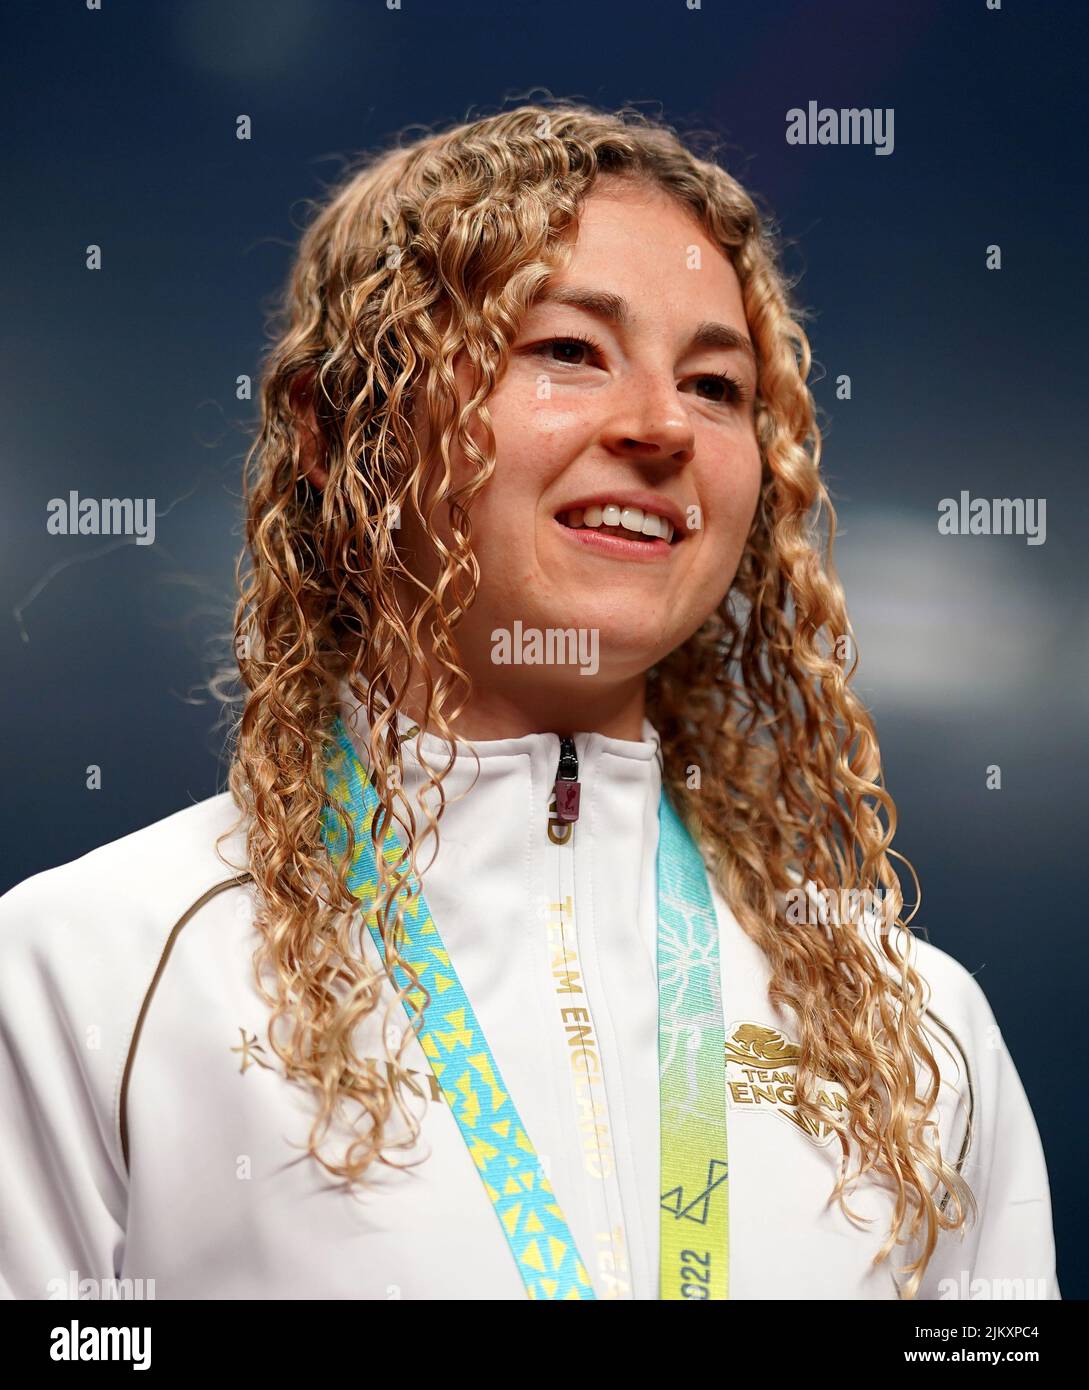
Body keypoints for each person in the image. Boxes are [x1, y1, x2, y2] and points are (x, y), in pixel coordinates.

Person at [0, 103, 1059, 1302]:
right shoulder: (93, 973)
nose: (661, 426)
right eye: (567, 350)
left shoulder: (916, 1030)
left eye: (716, 384)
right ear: (336, 424)